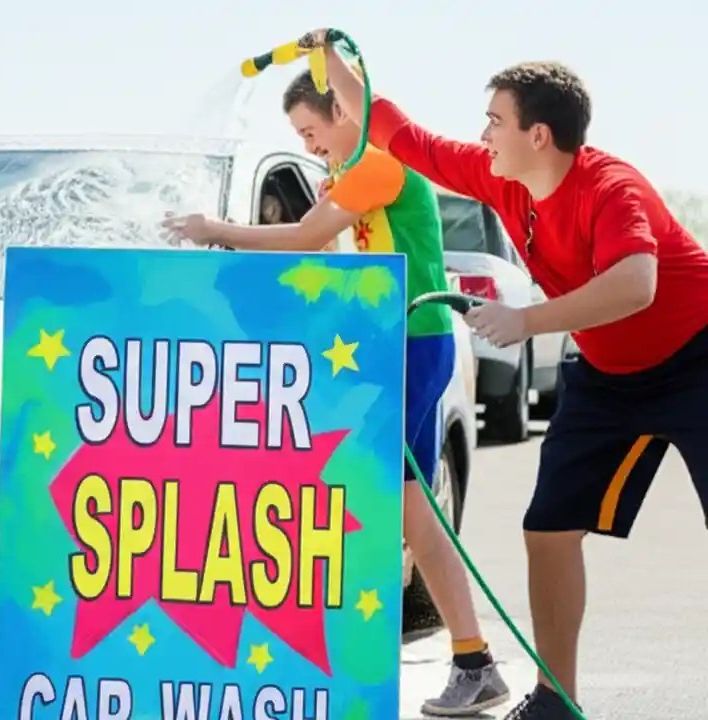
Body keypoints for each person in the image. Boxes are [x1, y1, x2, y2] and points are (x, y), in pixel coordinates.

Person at [307, 29, 708, 720]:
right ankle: (556, 700)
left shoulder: (611, 190)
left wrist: (528, 321)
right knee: (548, 528)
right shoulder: (503, 179)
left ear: (540, 135)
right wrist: (332, 61)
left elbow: (637, 283)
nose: (483, 133)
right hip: (609, 376)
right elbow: (402, 134)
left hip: (697, 361)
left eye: (495, 120)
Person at [162, 68, 510, 718]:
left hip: (411, 341)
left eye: (312, 131)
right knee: (405, 510)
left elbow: (303, 239)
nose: (310, 144)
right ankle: (468, 660)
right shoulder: (355, 172)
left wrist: (217, 230)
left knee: (387, 507)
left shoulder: (379, 164)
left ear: (346, 114)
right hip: (395, 341)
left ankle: (418, 663)